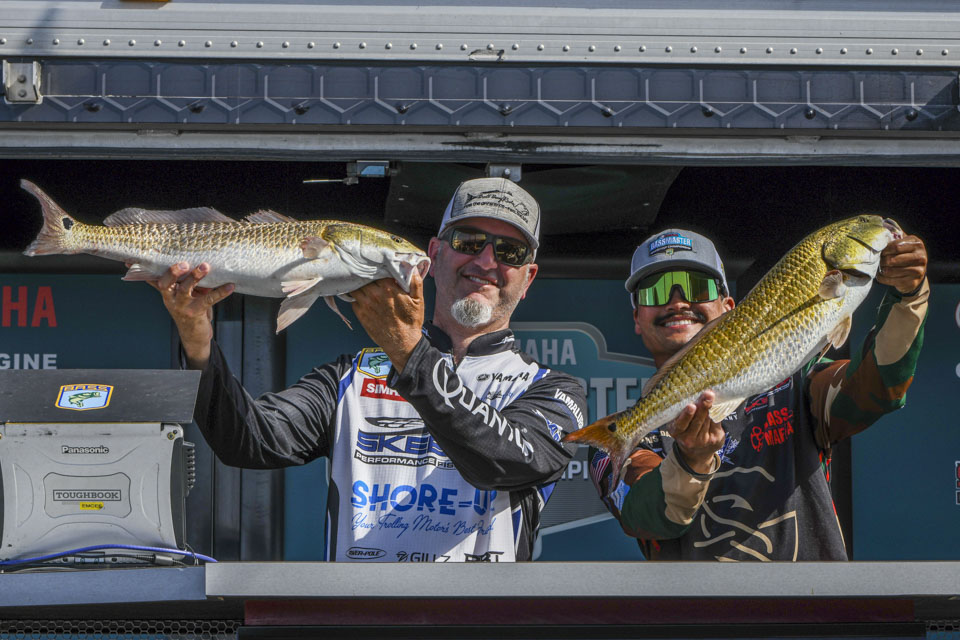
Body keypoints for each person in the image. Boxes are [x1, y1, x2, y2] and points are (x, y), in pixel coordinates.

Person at [151, 177, 587, 562]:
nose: (486, 262)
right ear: (434, 255)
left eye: (509, 251)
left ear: (527, 278)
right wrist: (197, 338)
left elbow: (503, 464)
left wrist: (409, 352)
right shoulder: (352, 377)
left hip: (479, 623)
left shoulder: (551, 389)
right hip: (363, 618)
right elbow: (245, 441)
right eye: (469, 241)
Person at [589, 227, 928, 561]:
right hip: (699, 616)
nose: (678, 302)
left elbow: (876, 388)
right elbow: (649, 518)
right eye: (655, 291)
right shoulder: (628, 436)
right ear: (637, 317)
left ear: (728, 306)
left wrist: (909, 299)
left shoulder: (796, 385)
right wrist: (689, 462)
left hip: (809, 611)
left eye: (697, 286)